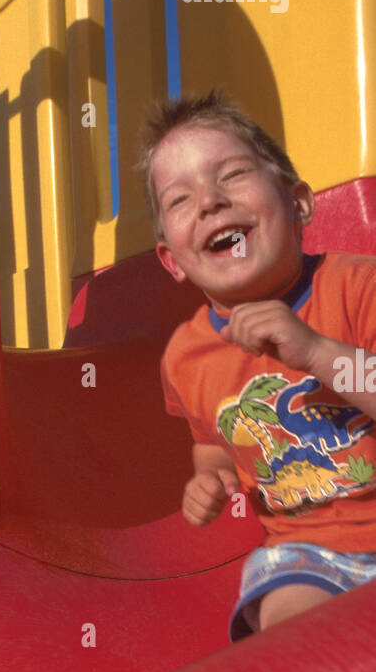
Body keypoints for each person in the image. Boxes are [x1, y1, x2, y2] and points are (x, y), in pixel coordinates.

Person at [140, 90, 376, 639]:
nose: (209, 202)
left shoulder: (357, 287)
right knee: (287, 613)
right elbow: (211, 439)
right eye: (179, 199)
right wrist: (209, 475)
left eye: (233, 174)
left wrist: (317, 352)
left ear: (298, 204)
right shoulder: (187, 356)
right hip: (314, 559)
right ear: (172, 261)